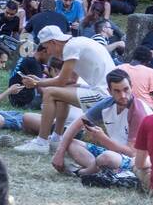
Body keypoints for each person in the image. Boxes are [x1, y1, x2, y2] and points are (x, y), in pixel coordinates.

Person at [15, 25, 114, 153]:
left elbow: (61, 80)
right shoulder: (77, 43)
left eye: (46, 47)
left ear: (53, 42)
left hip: (103, 96)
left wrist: (37, 83)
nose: (48, 52)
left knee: (50, 92)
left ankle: (41, 143)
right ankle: (56, 139)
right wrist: (39, 81)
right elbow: (70, 80)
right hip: (104, 92)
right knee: (61, 90)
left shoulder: (70, 47)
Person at [52, 68, 149, 176]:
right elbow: (77, 124)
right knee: (70, 143)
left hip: (136, 161)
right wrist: (59, 152)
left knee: (106, 157)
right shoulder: (107, 104)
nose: (123, 95)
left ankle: (84, 172)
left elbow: (133, 153)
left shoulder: (137, 112)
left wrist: (103, 139)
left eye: (126, 89)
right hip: (114, 154)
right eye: (117, 91)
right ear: (109, 91)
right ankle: (97, 169)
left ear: (131, 87)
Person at [0, 42, 40, 135]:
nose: (3, 66)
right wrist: (9, 91)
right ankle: (41, 127)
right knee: (14, 120)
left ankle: (44, 122)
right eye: (1, 62)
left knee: (17, 114)